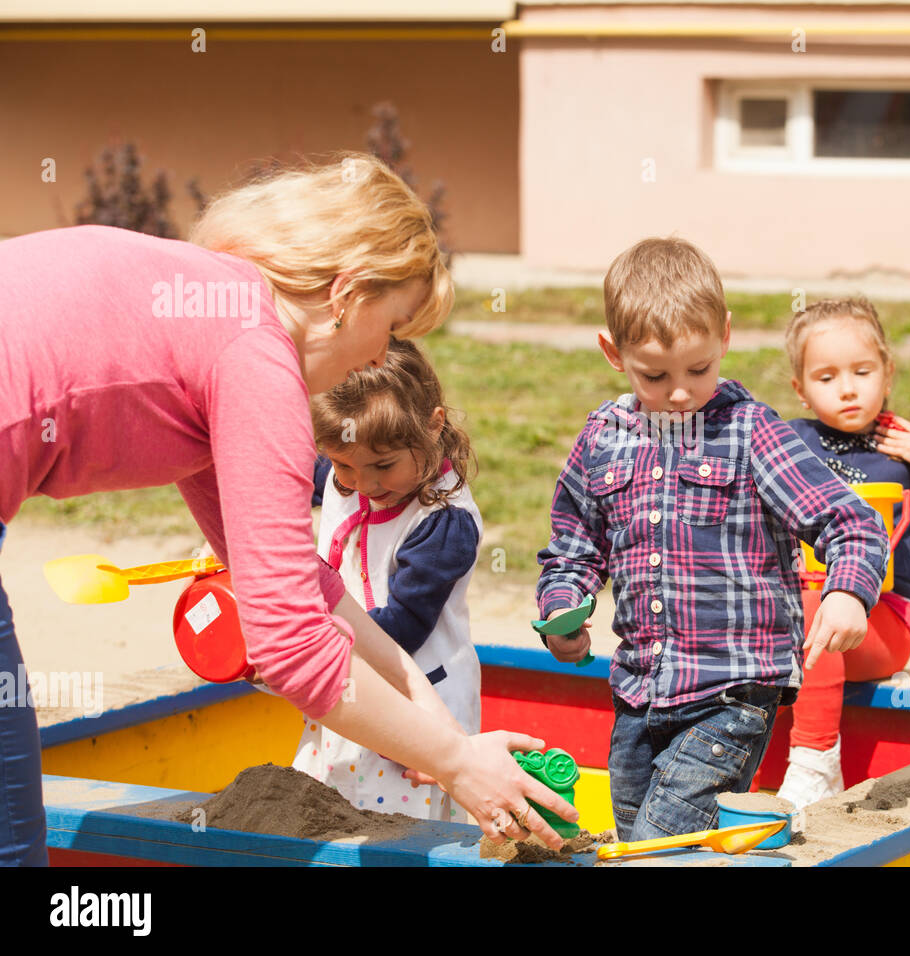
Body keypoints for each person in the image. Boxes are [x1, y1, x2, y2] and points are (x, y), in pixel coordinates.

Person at [0, 152, 575, 865]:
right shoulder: (255, 353)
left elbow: (287, 574)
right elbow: (292, 645)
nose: (379, 360)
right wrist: (460, 769)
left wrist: (427, 711)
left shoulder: (211, 309)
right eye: (392, 327)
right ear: (347, 293)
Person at [535, 237, 890, 842]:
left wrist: (848, 592)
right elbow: (573, 548)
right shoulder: (603, 439)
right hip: (639, 693)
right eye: (655, 375)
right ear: (611, 352)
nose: (680, 391)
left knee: (657, 850)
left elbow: (850, 521)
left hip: (731, 692)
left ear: (725, 335)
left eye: (699, 369)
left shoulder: (750, 433)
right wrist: (562, 610)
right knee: (638, 844)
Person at [776, 298, 910, 808]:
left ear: (887, 375)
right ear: (800, 389)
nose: (847, 387)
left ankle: (816, 762)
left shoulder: (904, 452)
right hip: (790, 619)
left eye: (862, 371)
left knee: (819, 594)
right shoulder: (789, 443)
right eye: (826, 377)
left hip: (881, 623)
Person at [296, 339, 482, 821]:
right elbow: (285, 477)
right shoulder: (351, 472)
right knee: (333, 811)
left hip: (419, 696)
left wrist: (310, 633)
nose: (365, 484)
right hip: (350, 678)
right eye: (343, 465)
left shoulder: (442, 523)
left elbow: (402, 626)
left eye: (384, 465)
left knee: (402, 827)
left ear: (433, 425)